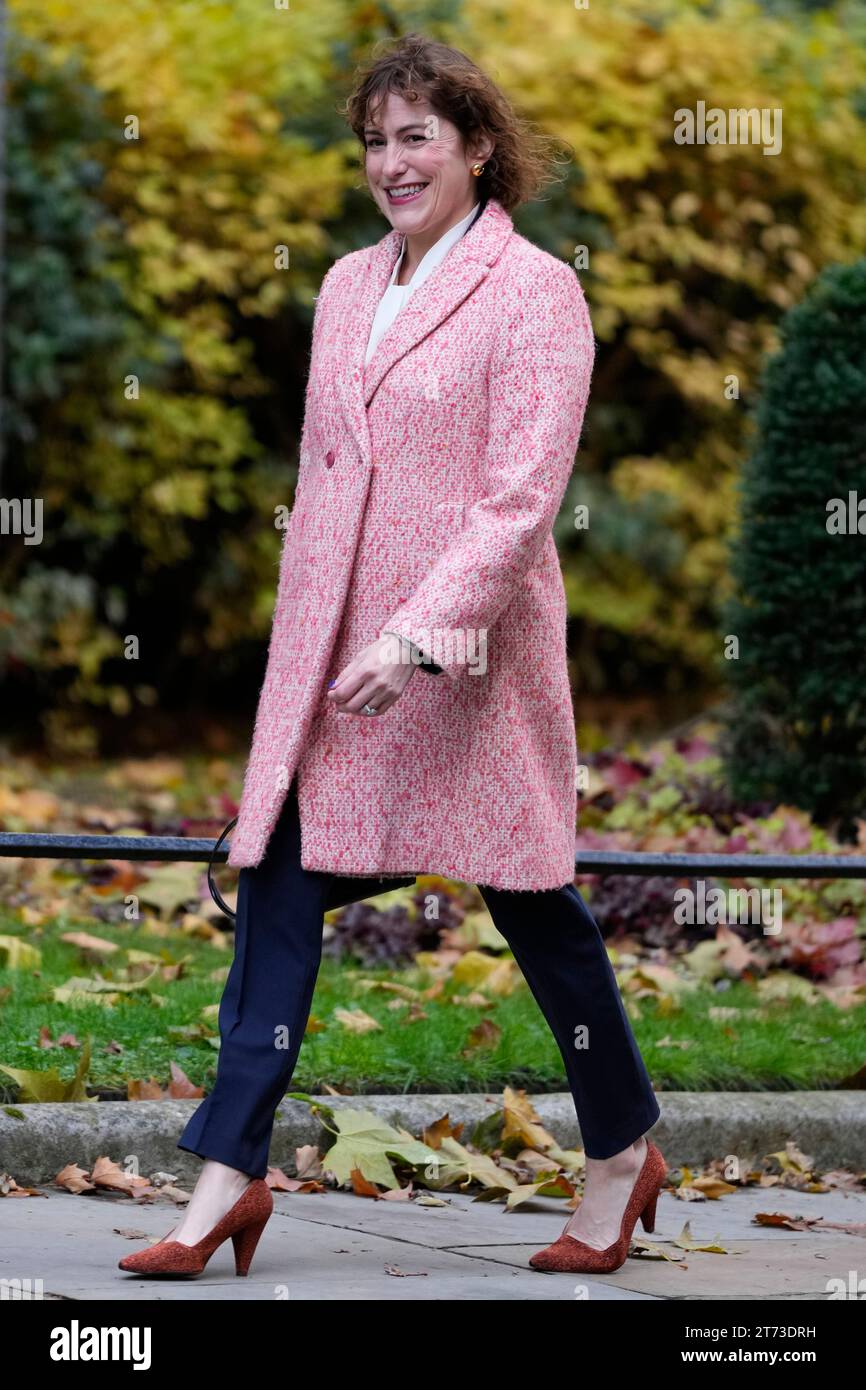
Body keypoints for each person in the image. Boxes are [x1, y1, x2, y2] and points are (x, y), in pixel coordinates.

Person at [118, 32, 666, 1282]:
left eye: (416, 135)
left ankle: (617, 1149)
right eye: (373, 140)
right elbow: (324, 490)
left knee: (531, 902)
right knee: (279, 878)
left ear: (477, 148)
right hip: (339, 661)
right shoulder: (343, 287)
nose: (390, 161)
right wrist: (307, 651)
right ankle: (226, 1174)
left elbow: (520, 498)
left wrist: (418, 634)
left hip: (466, 658)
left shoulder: (537, 292)